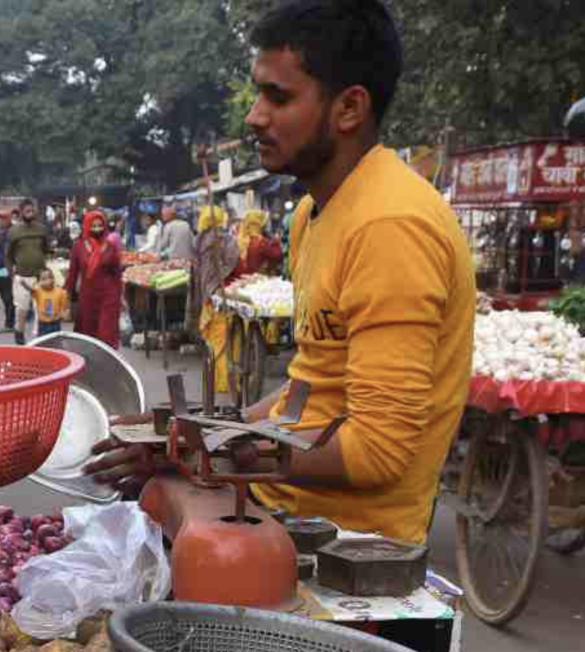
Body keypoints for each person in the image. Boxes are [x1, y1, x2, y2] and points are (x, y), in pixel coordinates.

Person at [88, 0, 474, 546]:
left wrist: (211, 449)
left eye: (279, 97)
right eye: (258, 93)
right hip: (276, 509)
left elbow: (379, 451)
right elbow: (308, 384)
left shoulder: (391, 224)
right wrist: (198, 433)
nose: (254, 117)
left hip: (350, 548)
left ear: (349, 108)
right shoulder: (312, 215)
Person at [191, 205, 243, 397]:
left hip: (207, 294)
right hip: (217, 294)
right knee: (222, 339)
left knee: (214, 339)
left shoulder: (199, 240)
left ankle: (217, 380)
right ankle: (223, 382)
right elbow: (232, 262)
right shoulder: (223, 240)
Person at [65, 209, 124, 348]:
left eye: (100, 225)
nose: (97, 229)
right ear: (86, 226)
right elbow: (73, 274)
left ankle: (109, 364)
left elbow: (117, 273)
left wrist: (121, 295)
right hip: (88, 295)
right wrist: (66, 299)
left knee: (106, 333)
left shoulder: (110, 246)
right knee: (88, 333)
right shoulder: (78, 246)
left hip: (108, 295)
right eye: (93, 226)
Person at [8, 198, 51, 345]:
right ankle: (19, 339)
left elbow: (46, 249)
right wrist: (11, 273)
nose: (30, 213)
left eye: (32, 210)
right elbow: (8, 255)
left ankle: (38, 341)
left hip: (40, 277)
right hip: (21, 277)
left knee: (41, 310)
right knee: (22, 310)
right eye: (27, 211)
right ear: (21, 213)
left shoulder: (41, 229)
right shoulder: (14, 231)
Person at [232, 209, 284, 281]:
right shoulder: (261, 242)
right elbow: (277, 256)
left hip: (237, 282)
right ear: (260, 224)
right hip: (256, 282)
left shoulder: (237, 239)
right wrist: (276, 241)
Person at [0, 211, 16, 332]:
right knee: (5, 297)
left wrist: (9, 267)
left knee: (8, 298)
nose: (0, 221)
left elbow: (8, 253)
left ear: (8, 220)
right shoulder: (0, 232)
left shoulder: (10, 233)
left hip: (6, 269)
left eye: (3, 219)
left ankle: (9, 324)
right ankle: (10, 322)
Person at [31, 269, 71, 338]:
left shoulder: (60, 292)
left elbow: (65, 307)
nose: (48, 280)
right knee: (42, 343)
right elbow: (31, 289)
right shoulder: (38, 291)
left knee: (56, 342)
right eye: (43, 279)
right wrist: (24, 284)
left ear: (54, 279)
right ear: (40, 281)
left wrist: (65, 313)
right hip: (42, 323)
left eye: (50, 277)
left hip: (55, 323)